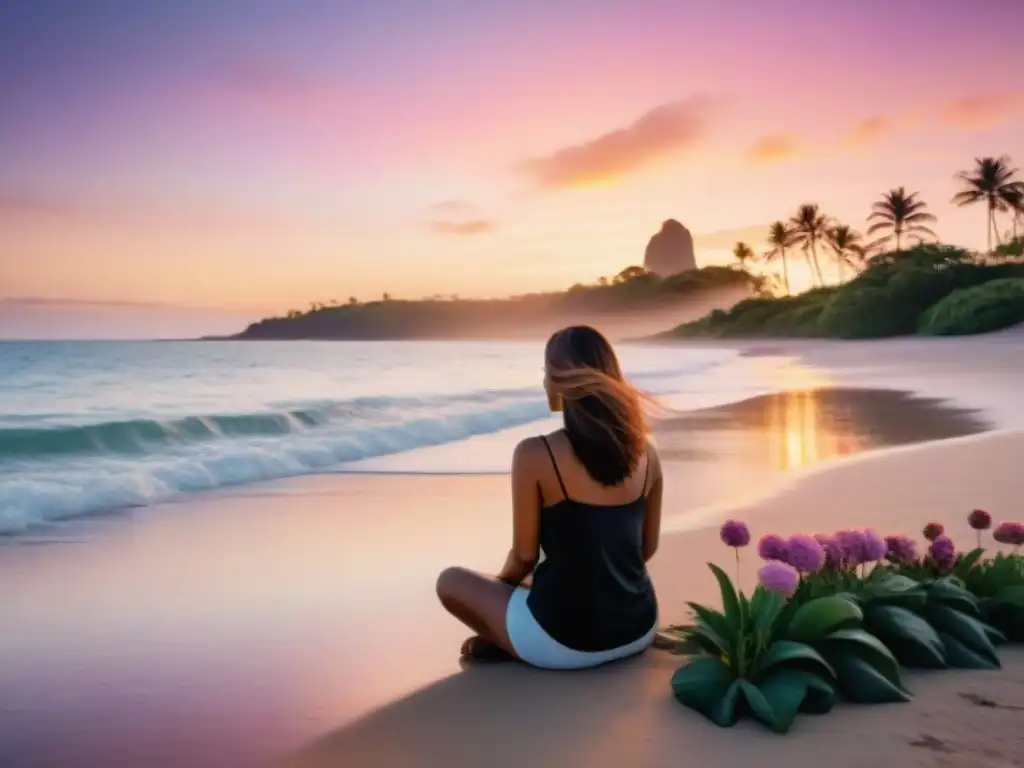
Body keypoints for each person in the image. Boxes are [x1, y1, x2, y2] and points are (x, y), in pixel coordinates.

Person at [436, 325, 663, 670]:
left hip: (564, 644)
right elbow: (645, 550)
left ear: (559, 382)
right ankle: (512, 631)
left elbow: (524, 557)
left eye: (546, 373)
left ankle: (510, 638)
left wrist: (501, 595)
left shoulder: (535, 454)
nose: (544, 383)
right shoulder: (647, 453)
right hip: (638, 628)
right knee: (544, 579)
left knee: (451, 581)